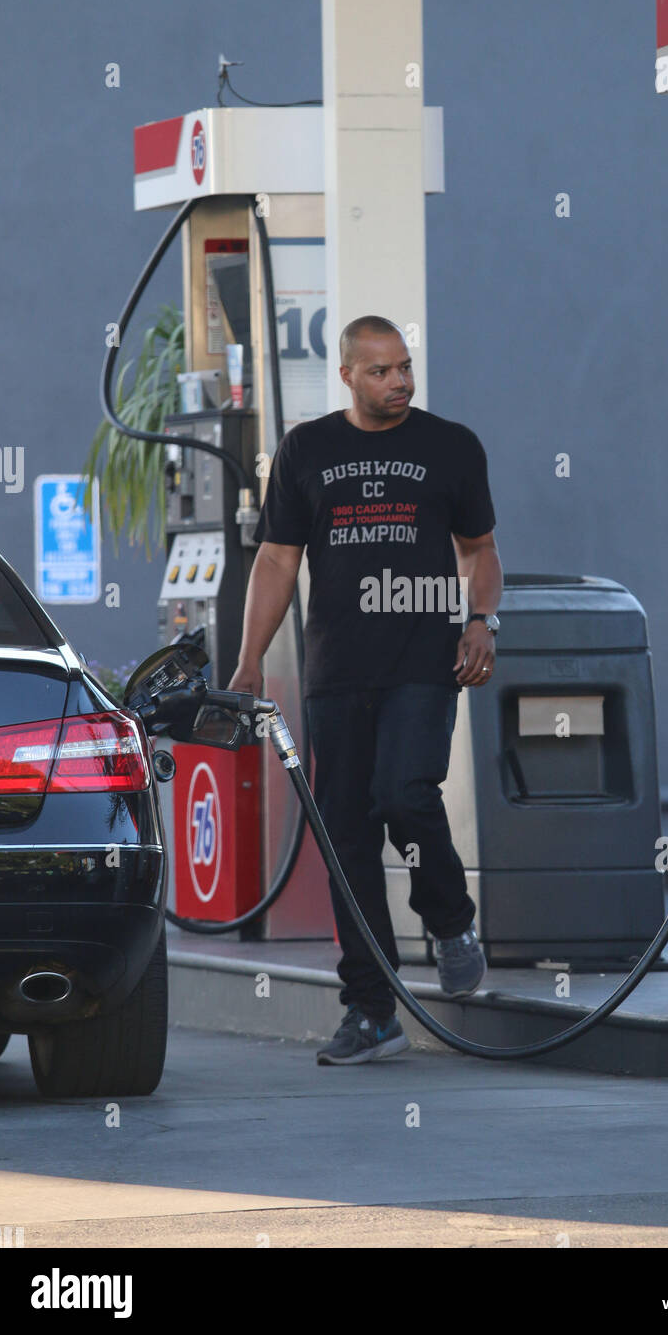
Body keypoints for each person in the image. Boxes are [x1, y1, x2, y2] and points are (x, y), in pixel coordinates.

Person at [229, 315, 502, 1065]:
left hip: (424, 661)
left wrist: (483, 620)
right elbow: (277, 560)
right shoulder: (306, 450)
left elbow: (480, 550)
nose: (399, 382)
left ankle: (449, 921)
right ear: (347, 375)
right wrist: (249, 659)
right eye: (381, 371)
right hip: (337, 669)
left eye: (404, 367)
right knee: (346, 835)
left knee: (404, 796)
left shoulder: (450, 446)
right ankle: (372, 1010)